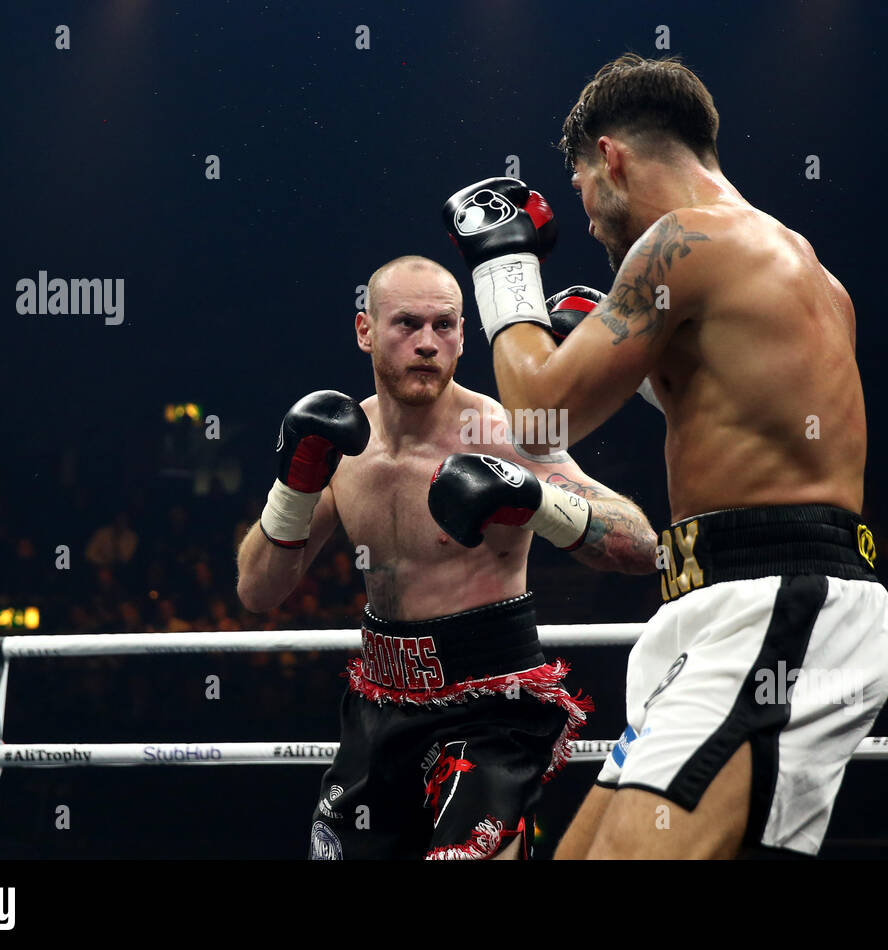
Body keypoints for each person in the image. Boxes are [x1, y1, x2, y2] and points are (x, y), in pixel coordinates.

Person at [441, 53, 888, 859]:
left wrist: (503, 266)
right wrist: (653, 370)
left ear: (611, 156)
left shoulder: (682, 241)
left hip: (776, 605)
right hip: (726, 603)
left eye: (580, 185)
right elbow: (756, 418)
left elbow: (540, 413)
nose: (583, 218)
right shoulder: (809, 271)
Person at [235, 255, 656, 860]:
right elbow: (258, 592)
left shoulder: (505, 432)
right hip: (380, 699)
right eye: (407, 324)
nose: (428, 344)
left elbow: (641, 545)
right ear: (365, 331)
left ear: (464, 335)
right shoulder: (342, 444)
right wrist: (294, 484)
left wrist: (534, 499)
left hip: (492, 708)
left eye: (445, 326)